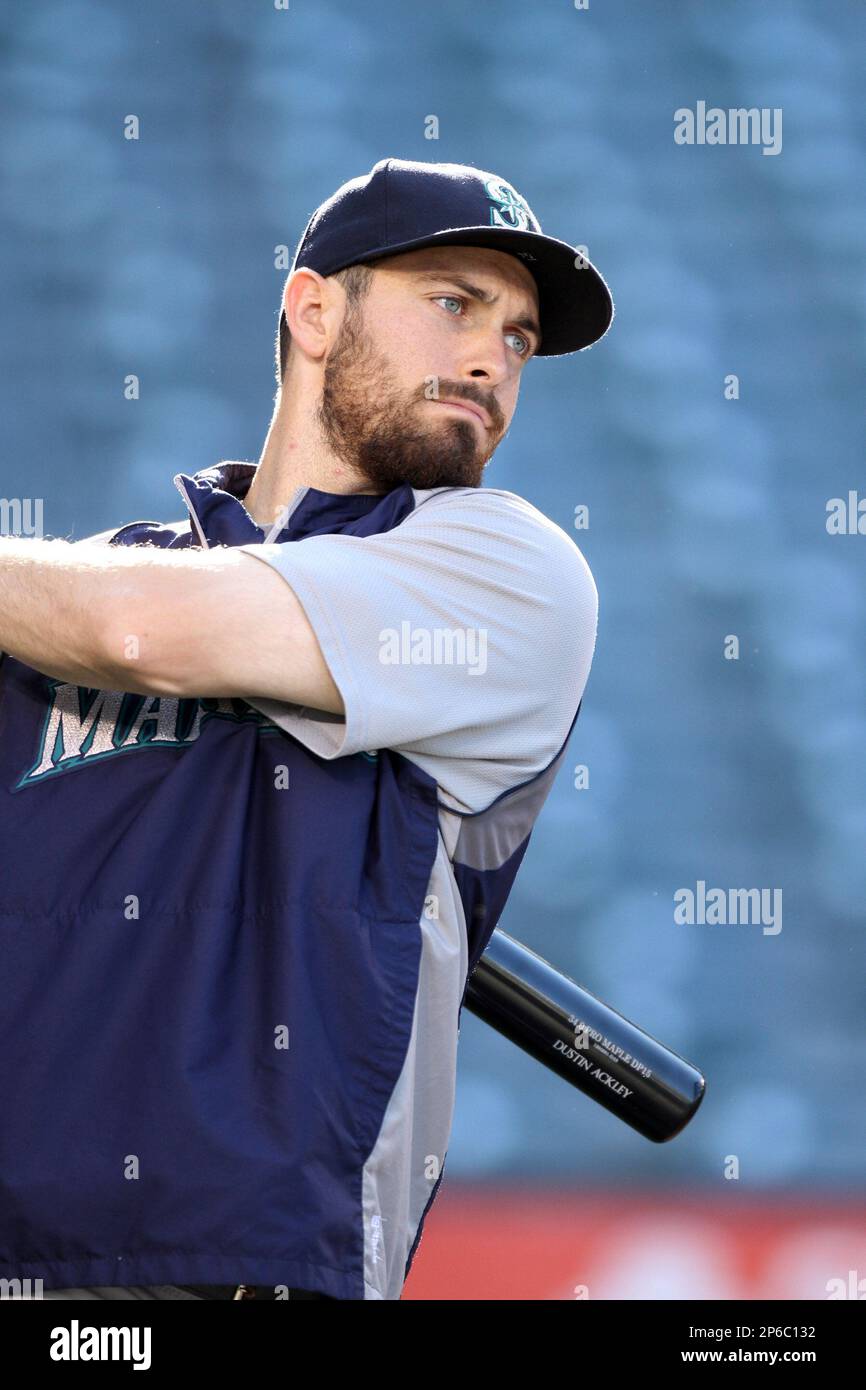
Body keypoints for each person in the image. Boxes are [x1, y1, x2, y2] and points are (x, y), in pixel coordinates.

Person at [0, 157, 613, 1302]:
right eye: (451, 303)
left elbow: (140, 634)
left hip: (254, 1277)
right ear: (313, 309)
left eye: (518, 339)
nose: (490, 358)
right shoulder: (69, 600)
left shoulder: (506, 571)